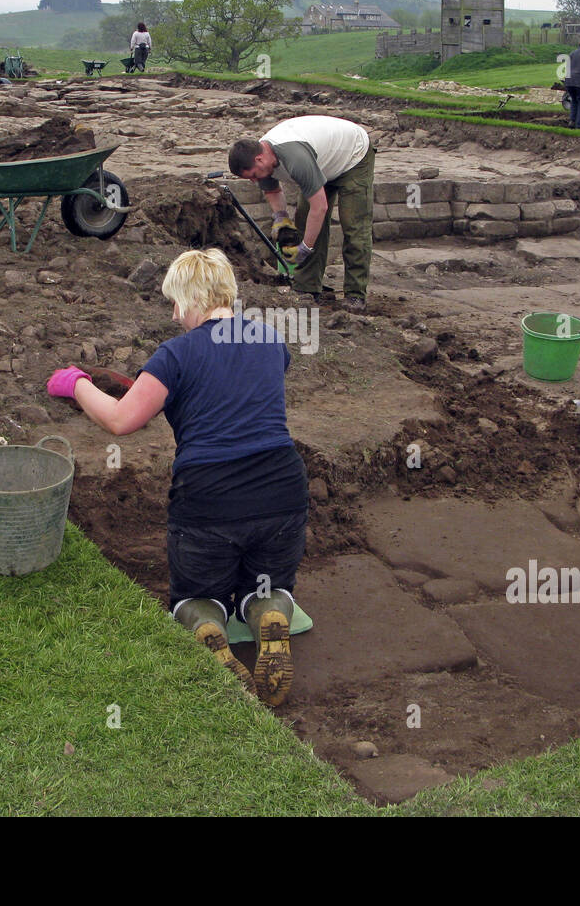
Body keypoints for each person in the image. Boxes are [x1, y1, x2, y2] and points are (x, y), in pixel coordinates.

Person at [46, 249, 308, 706]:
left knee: (195, 595)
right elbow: (236, 384)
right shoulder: (270, 340)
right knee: (267, 585)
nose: (173, 313)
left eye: (175, 303)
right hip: (281, 490)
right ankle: (270, 615)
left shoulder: (176, 354)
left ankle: (208, 626)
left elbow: (122, 421)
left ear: (193, 299)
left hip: (209, 500)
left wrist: (76, 383)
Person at [228, 115, 375, 313]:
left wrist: (304, 248)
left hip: (353, 156)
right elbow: (272, 192)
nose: (255, 181)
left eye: (254, 175)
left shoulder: (295, 159)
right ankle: (308, 288)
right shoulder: (262, 161)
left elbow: (320, 208)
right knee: (306, 222)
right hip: (321, 162)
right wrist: (281, 218)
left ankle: (355, 294)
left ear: (259, 159)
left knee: (354, 226)